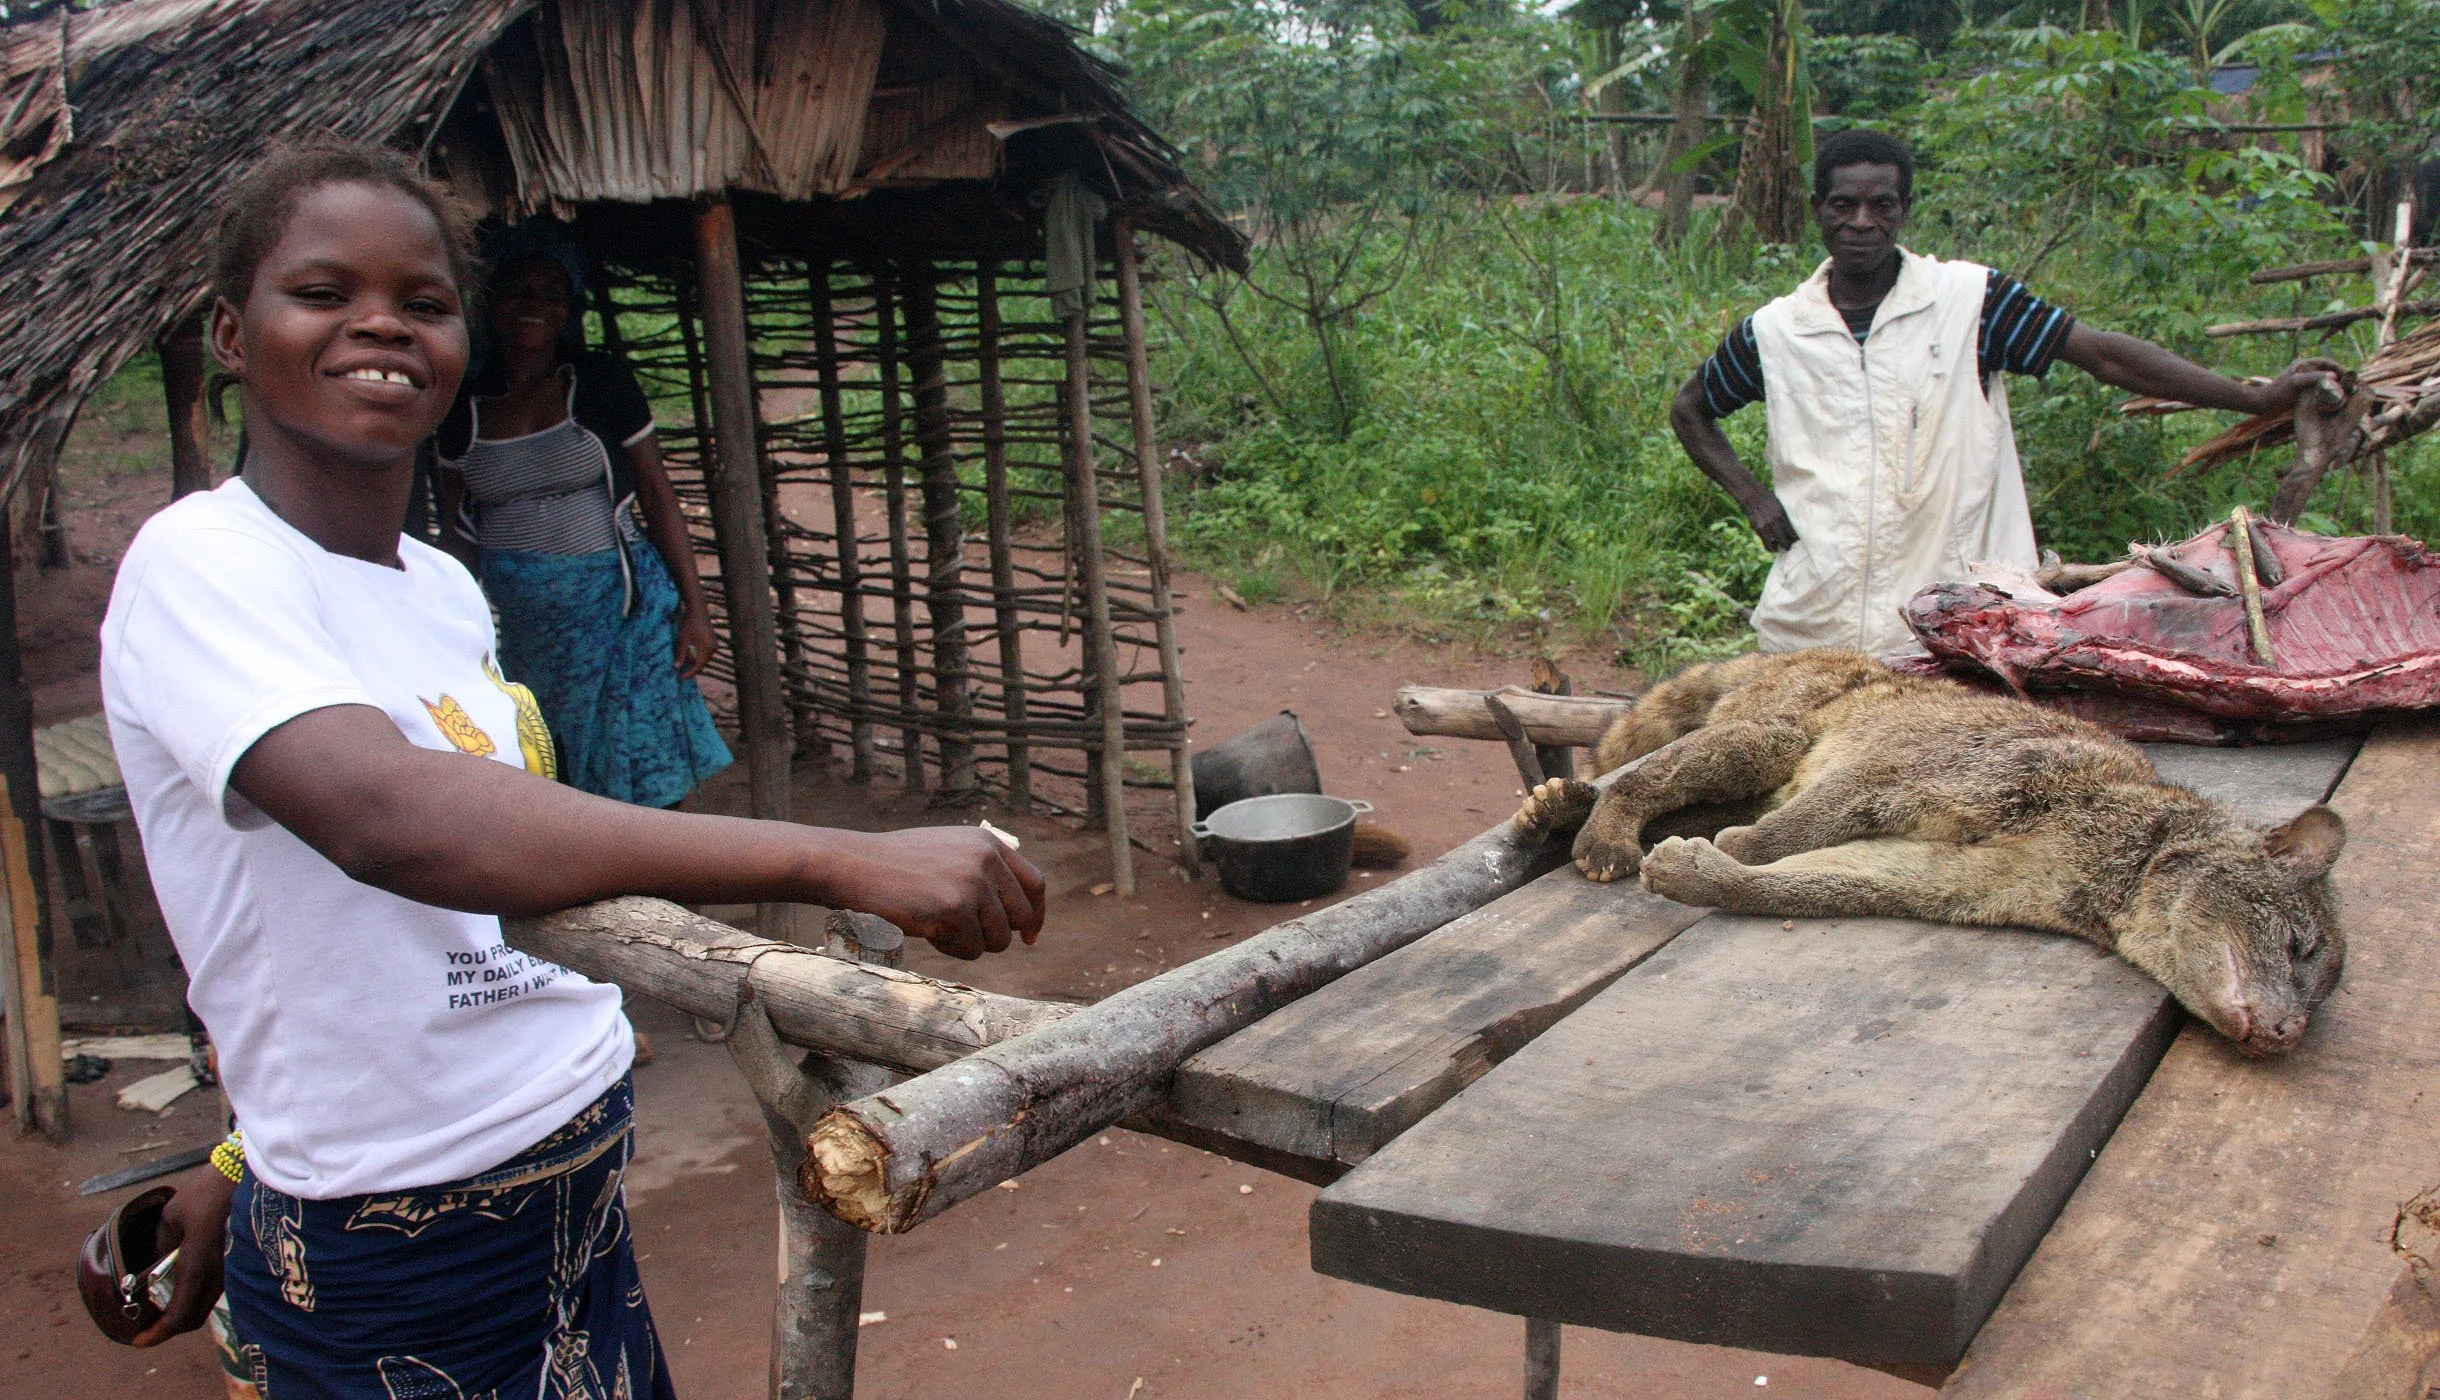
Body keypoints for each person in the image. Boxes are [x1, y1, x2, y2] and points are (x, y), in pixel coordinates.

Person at [99, 143, 1045, 1396]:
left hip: (574, 1165)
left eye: (424, 301)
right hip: (396, 1227)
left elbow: (373, 932)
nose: (380, 323)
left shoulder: (437, 587)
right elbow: (395, 821)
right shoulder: (201, 566)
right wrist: (841, 853)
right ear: (233, 329)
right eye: (324, 292)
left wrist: (242, 1159)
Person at [1670, 128, 2340, 656]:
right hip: (1813, 620)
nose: (1863, 222)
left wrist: (2253, 399)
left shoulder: (1972, 303)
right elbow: (1690, 409)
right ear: (1818, 212)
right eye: (1844, 205)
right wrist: (1752, 496)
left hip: (1957, 617)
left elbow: (2105, 355)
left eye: (1882, 204)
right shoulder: (1779, 331)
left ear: (1905, 210)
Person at [433, 224, 729, 807]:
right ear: (488, 301)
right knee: (550, 761)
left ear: (570, 307)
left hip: (622, 612)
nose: (533, 307)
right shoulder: (458, 404)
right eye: (517, 291)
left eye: (550, 294)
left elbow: (655, 492)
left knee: (644, 763)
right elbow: (456, 531)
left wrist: (696, 609)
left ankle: (664, 888)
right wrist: (451, 631)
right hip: (526, 625)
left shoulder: (599, 385)